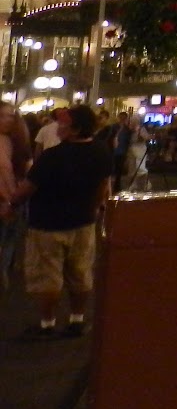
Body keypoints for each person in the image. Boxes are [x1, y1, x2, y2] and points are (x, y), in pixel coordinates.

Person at [2, 104, 115, 339]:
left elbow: (28, 188)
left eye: (63, 124)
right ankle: (77, 319)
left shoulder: (53, 157)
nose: (59, 128)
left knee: (47, 276)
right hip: (83, 221)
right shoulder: (101, 151)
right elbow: (103, 186)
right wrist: (93, 209)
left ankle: (47, 323)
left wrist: (12, 204)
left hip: (48, 223)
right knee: (81, 272)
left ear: (75, 129)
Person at [0, 101, 35, 293]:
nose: (7, 120)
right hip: (5, 198)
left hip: (16, 199)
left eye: (10, 116)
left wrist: (16, 197)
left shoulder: (18, 140)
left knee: (10, 239)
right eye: (3, 116)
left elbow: (29, 169)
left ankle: (3, 270)